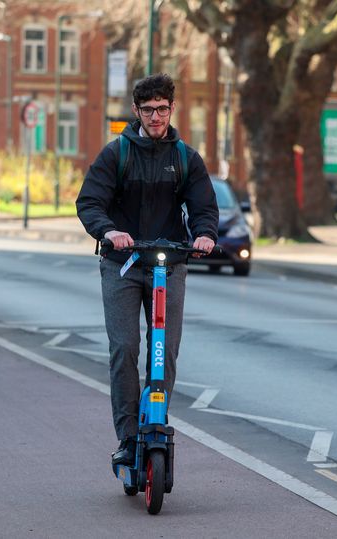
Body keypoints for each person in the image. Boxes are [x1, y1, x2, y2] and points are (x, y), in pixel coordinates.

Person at [76, 73, 219, 466]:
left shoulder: (185, 158)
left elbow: (204, 207)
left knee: (164, 351)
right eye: (148, 110)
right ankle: (127, 438)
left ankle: (155, 421)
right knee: (125, 349)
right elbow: (90, 202)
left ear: (172, 109)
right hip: (123, 264)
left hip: (168, 266)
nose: (156, 117)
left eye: (162, 109)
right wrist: (109, 230)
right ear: (136, 111)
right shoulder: (116, 153)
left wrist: (204, 235)